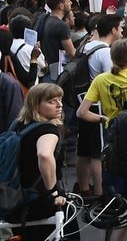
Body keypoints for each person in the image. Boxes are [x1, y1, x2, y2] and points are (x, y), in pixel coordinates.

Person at [78, 37, 127, 237]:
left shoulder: (100, 80)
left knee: (114, 195)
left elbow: (82, 112)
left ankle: (108, 234)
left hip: (112, 140)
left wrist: (103, 119)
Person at [16, 83, 77, 241]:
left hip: (18, 198)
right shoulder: (48, 130)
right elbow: (44, 155)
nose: (59, 105)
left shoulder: (19, 125)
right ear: (36, 105)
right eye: (51, 101)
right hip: (42, 200)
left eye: (60, 100)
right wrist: (53, 192)